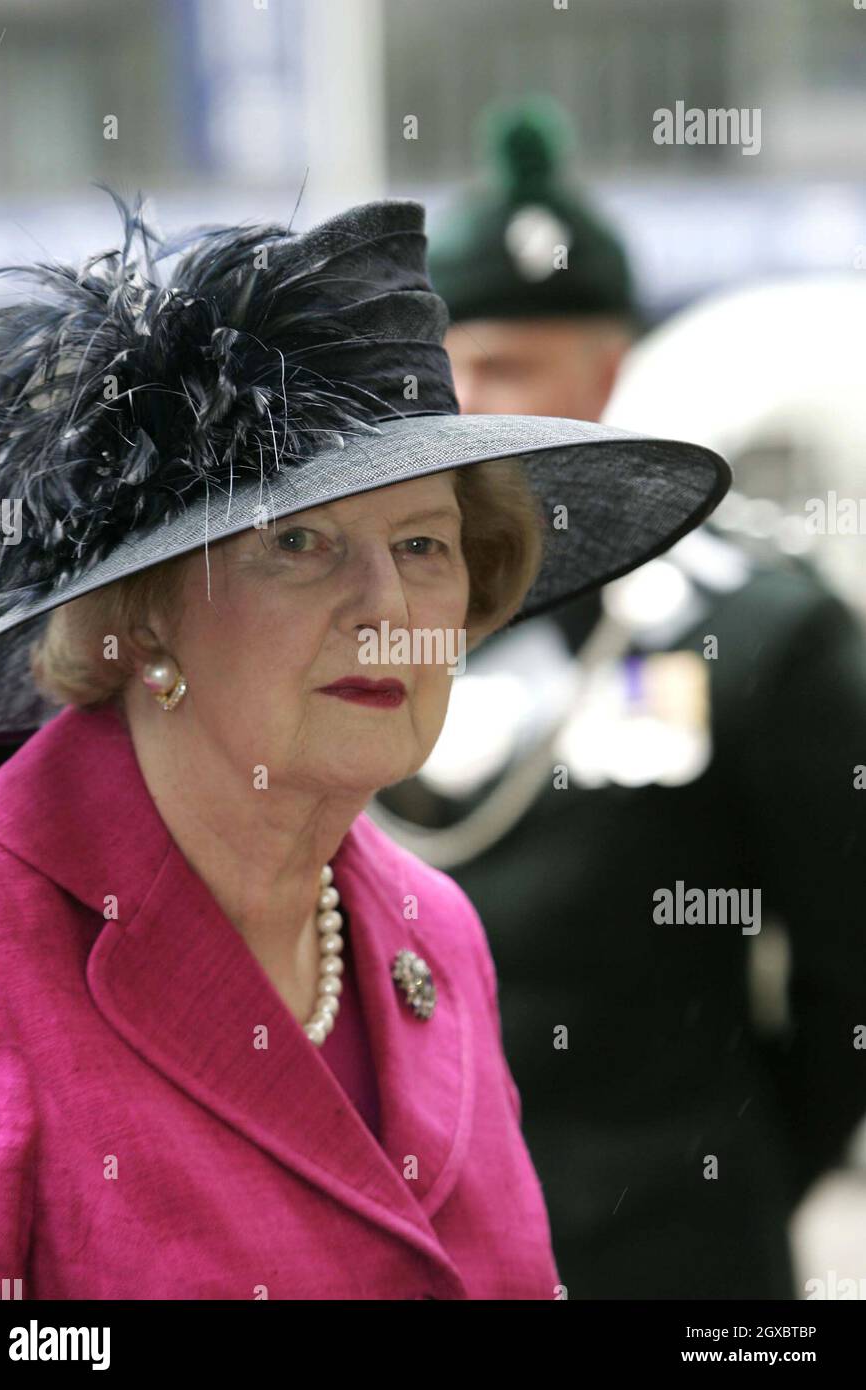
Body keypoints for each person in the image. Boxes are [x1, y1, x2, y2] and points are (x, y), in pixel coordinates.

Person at [0, 190, 728, 1300]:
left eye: (422, 541)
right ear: (147, 611)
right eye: (300, 541)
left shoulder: (435, 929)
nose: (386, 608)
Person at [372, 97, 866, 1299]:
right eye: (451, 368)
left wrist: (732, 1167)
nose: (473, 404)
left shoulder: (758, 631)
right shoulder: (357, 614)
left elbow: (847, 966)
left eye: (510, 366)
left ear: (606, 371)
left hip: (674, 1251)